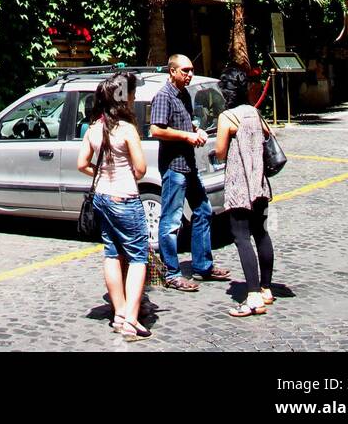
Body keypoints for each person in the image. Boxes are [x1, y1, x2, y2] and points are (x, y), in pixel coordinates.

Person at [77, 73, 151, 339]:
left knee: (111, 252)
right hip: (125, 197)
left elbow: (81, 163)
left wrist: (101, 170)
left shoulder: (94, 128)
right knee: (138, 257)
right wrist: (126, 170)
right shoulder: (127, 129)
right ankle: (131, 318)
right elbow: (140, 169)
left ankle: (119, 313)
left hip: (102, 197)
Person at [149, 53, 230, 291]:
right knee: (171, 221)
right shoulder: (163, 96)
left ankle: (203, 265)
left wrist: (197, 129)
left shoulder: (183, 94)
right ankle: (171, 272)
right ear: (172, 71)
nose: (190, 74)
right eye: (185, 70)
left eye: (191, 70)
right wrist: (187, 136)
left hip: (189, 165)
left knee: (203, 211)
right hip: (174, 167)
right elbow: (156, 129)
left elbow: (185, 121)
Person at [214, 65, 275, 317]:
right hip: (259, 182)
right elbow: (267, 136)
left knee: (241, 237)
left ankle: (251, 297)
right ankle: (266, 289)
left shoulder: (227, 118)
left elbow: (219, 151)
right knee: (261, 232)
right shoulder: (254, 112)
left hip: (239, 183)